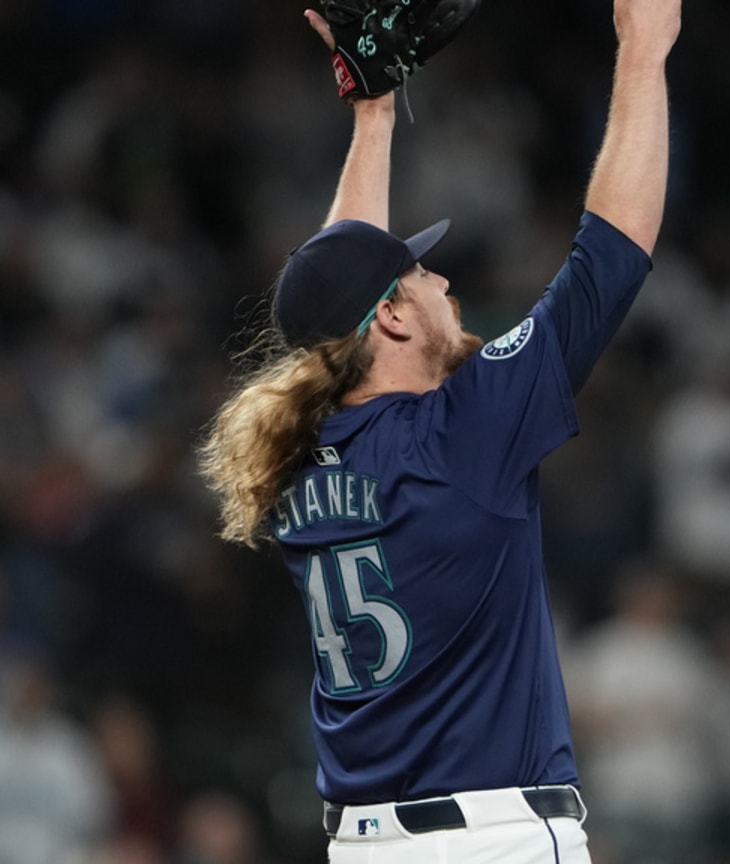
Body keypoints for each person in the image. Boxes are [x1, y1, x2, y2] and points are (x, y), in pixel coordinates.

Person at [195, 0, 680, 858]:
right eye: (422, 273)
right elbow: (614, 250)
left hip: (363, 844)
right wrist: (643, 51)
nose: (444, 280)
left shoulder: (302, 460)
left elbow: (331, 292)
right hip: (491, 841)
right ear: (389, 320)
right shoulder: (458, 433)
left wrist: (373, 111)